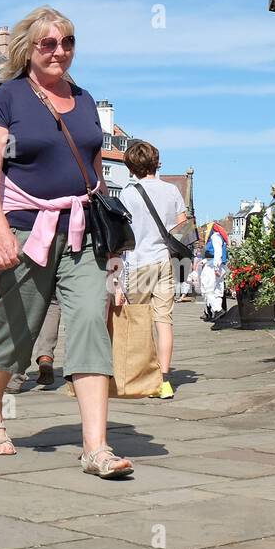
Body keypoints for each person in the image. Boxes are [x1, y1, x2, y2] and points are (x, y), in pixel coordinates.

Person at [0, 5, 131, 478]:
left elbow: (95, 174)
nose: (59, 52)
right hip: (26, 228)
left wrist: (113, 244)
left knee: (92, 320)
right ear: (28, 49)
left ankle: (96, 448)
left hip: (82, 228)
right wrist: (0, 232)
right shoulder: (7, 98)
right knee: (17, 329)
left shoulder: (86, 100)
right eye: (48, 43)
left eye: (67, 43)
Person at [118, 140, 188, 400]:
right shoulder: (170, 191)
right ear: (156, 162)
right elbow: (181, 223)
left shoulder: (127, 193)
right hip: (163, 260)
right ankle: (164, 380)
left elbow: (122, 231)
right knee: (164, 321)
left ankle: (142, 376)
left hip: (137, 262)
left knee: (139, 321)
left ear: (130, 167)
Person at [201, 222, 229, 321]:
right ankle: (218, 314)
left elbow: (218, 253)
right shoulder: (219, 236)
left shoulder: (215, 236)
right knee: (218, 290)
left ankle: (217, 310)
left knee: (207, 288)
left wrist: (216, 268)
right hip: (218, 265)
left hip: (213, 266)